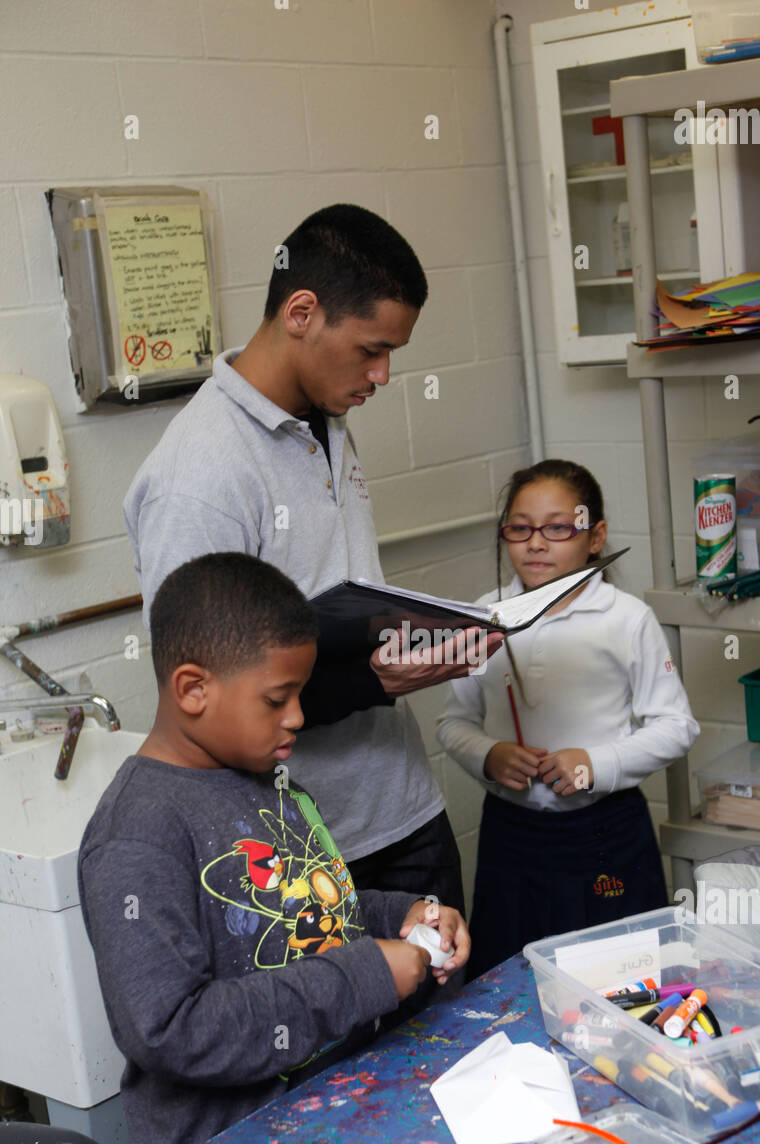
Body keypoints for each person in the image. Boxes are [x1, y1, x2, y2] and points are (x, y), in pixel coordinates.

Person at [123, 204, 501, 918]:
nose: (384, 374)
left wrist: (405, 650)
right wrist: (374, 681)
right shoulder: (198, 476)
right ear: (301, 311)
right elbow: (207, 703)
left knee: (457, 1026)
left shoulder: (326, 420)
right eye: (371, 349)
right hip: (297, 847)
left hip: (402, 810)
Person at [78, 553, 469, 1144]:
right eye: (277, 699)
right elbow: (173, 1030)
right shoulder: (137, 837)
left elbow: (300, 912)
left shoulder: (266, 779)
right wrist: (361, 977)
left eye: (300, 694)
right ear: (192, 689)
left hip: (336, 1118)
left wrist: (403, 915)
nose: (298, 717)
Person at [436, 459, 699, 981]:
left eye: (558, 528)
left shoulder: (625, 618)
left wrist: (595, 763)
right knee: (505, 982)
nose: (536, 543)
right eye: (520, 528)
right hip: (511, 836)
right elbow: (453, 722)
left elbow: (676, 726)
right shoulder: (483, 615)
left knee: (625, 984)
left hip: (605, 833)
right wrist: (488, 754)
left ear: (594, 536)